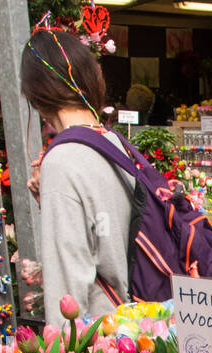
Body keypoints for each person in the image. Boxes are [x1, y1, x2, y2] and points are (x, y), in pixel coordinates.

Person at [21, 29, 135, 327]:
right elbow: (109, 232)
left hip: (101, 342)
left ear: (36, 95)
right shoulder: (113, 141)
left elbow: (67, 290)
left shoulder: (61, 161)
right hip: (138, 329)